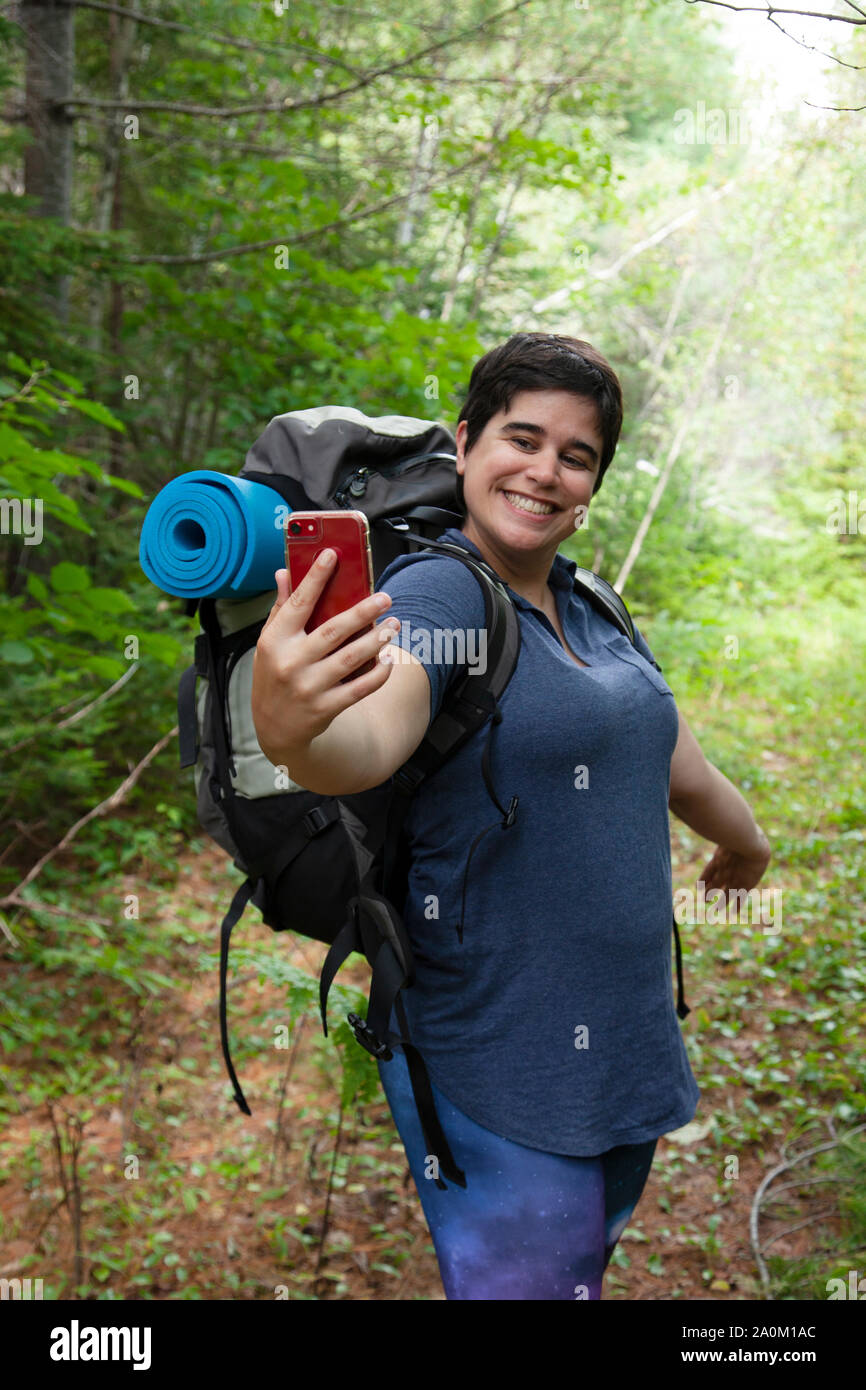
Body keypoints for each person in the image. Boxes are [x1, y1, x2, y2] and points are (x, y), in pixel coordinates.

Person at [251, 333, 771, 1301]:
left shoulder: (594, 604)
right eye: (520, 438)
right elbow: (366, 736)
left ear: (594, 482)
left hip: (618, 1051)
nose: (544, 470)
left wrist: (743, 843)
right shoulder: (444, 592)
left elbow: (669, 753)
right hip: (492, 1061)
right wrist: (294, 726)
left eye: (575, 455)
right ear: (463, 445)